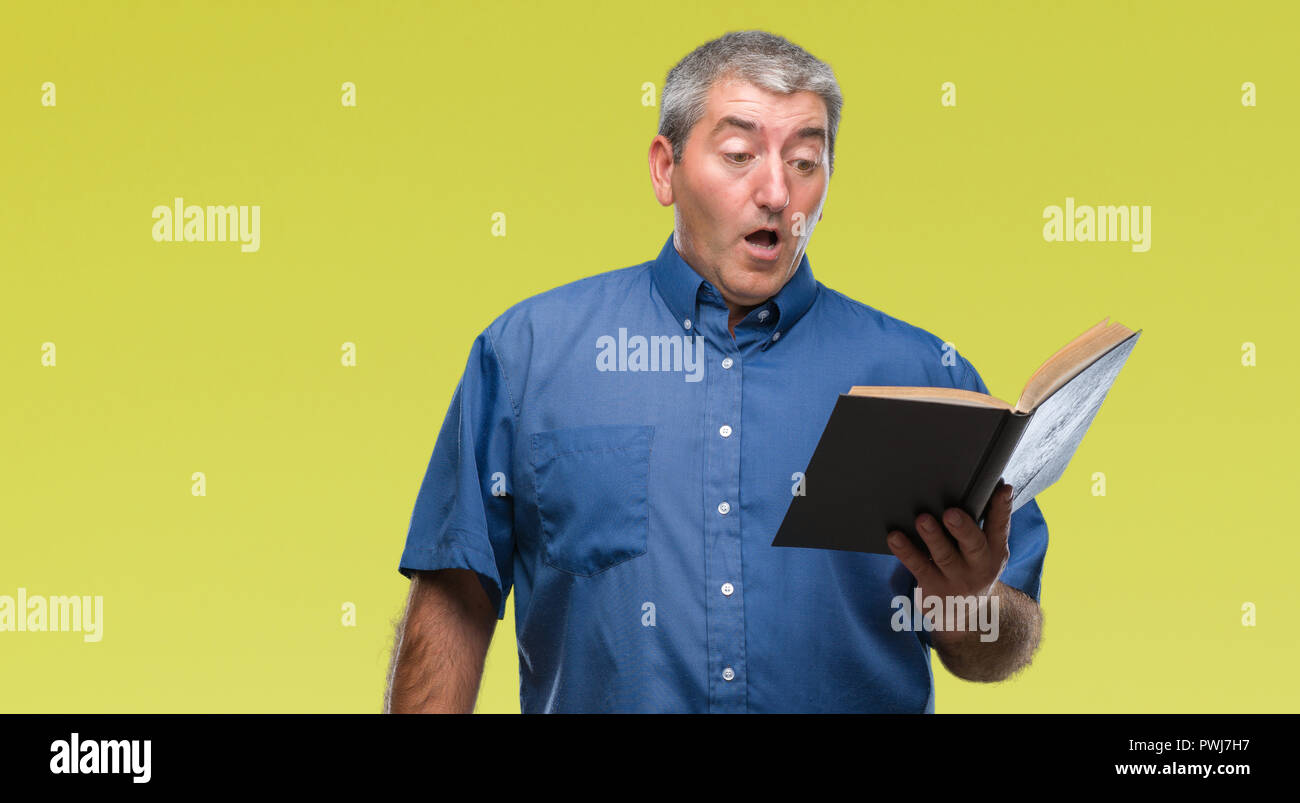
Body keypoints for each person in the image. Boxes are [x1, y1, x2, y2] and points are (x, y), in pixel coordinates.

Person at [385, 30, 1047, 714]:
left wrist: (967, 604)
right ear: (664, 169)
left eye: (804, 160)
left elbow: (1001, 642)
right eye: (739, 155)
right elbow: (454, 601)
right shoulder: (526, 356)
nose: (774, 192)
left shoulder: (925, 376)